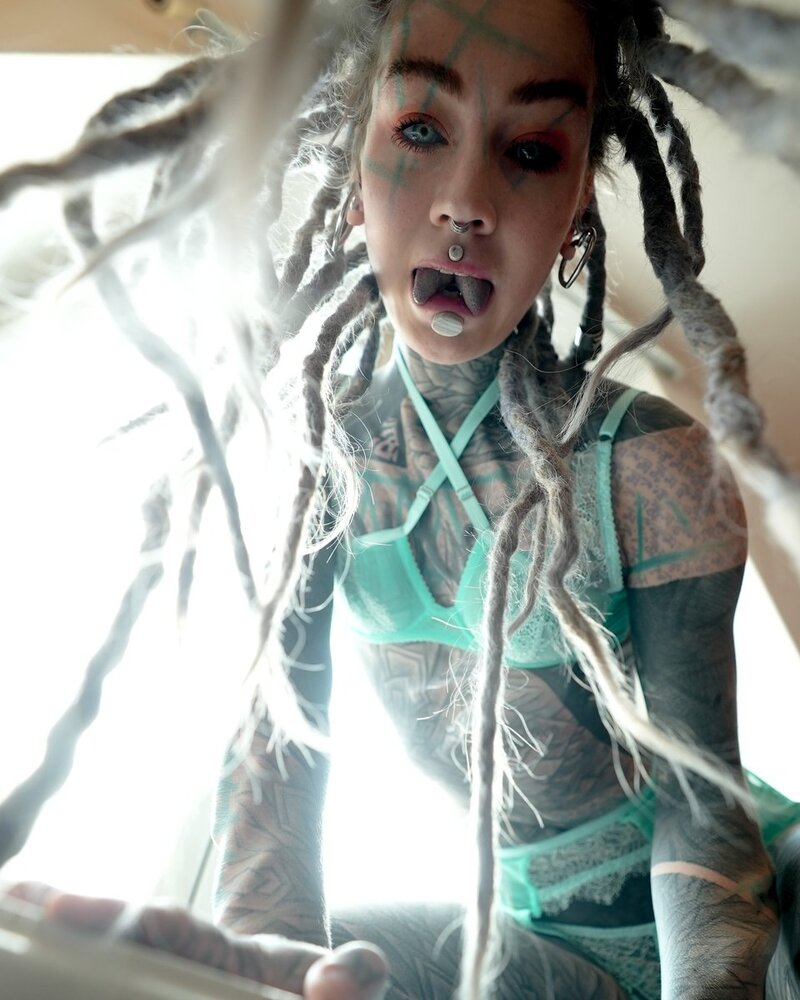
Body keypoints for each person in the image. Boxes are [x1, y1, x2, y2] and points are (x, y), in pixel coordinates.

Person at [1, 1, 800, 998]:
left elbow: (703, 807)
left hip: (759, 914)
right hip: (534, 945)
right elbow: (277, 772)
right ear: (352, 174)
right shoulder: (313, 463)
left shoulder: (647, 461)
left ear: (572, 221)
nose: (465, 202)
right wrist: (269, 972)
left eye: (531, 151)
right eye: (421, 129)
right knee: (305, 968)